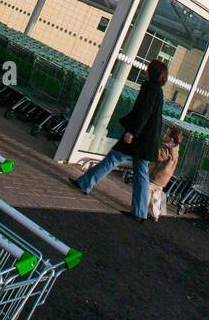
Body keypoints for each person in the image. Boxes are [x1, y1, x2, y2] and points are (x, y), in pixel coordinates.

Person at [67, 59, 169, 222]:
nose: (146, 69)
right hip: (145, 139)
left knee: (115, 160)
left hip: (138, 137)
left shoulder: (150, 89)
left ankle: (86, 183)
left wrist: (132, 132)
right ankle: (139, 211)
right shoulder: (157, 91)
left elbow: (143, 113)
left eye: (148, 67)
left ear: (152, 71)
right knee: (136, 170)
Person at [148, 125, 183, 220]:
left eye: (166, 134)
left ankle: (140, 209)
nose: (164, 135)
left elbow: (158, 156)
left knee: (147, 191)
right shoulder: (176, 150)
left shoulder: (166, 149)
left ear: (171, 139)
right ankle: (157, 214)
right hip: (164, 177)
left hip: (157, 174)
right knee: (157, 193)